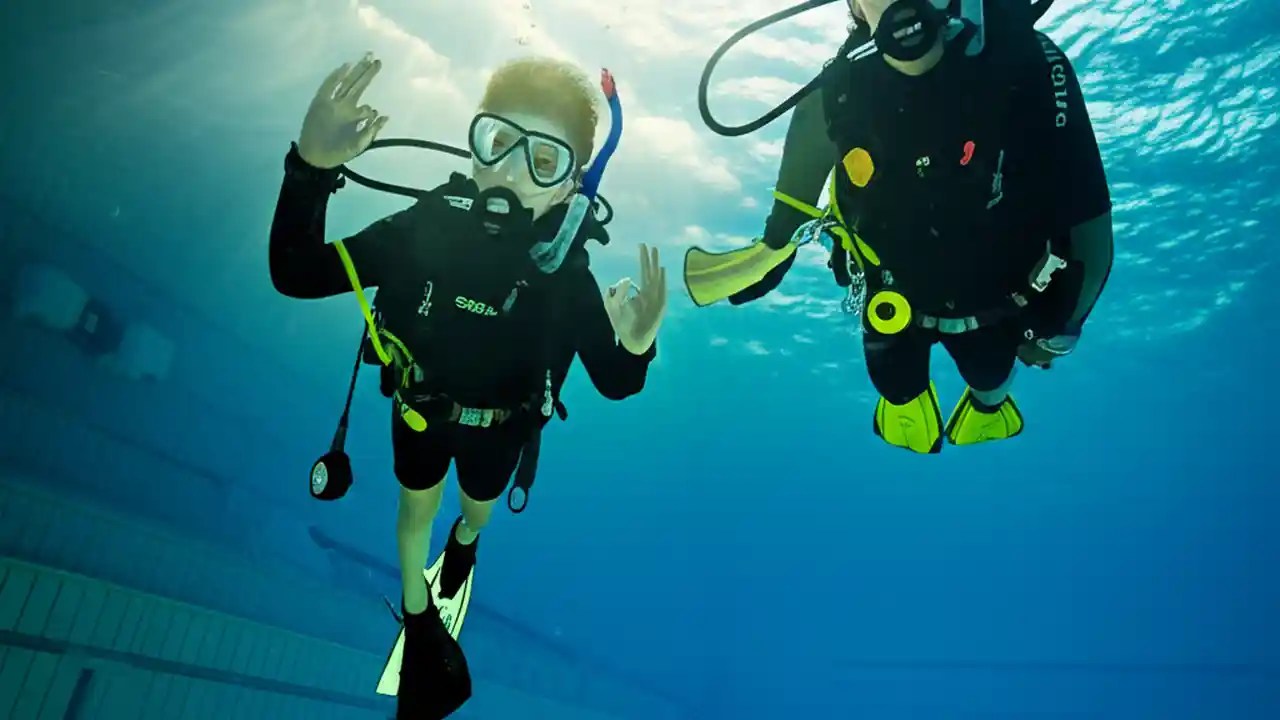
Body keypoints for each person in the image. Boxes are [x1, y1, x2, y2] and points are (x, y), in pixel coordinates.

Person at [269, 52, 668, 718]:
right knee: (413, 510)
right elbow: (298, 271)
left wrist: (637, 342)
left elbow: (616, 382)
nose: (511, 172)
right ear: (474, 143)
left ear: (573, 187)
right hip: (419, 412)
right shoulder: (426, 227)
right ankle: (419, 619)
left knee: (474, 510)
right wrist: (309, 170)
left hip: (501, 432)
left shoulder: (567, 278)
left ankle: (466, 544)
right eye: (498, 141)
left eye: (544, 161)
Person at [685, 0, 1114, 453]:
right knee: (895, 382)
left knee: (989, 374)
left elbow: (1088, 215)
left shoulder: (1029, 58)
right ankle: (947, 406)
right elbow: (788, 214)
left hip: (1002, 300)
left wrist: (1064, 324)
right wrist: (772, 249)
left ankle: (988, 410)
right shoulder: (839, 88)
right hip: (893, 300)